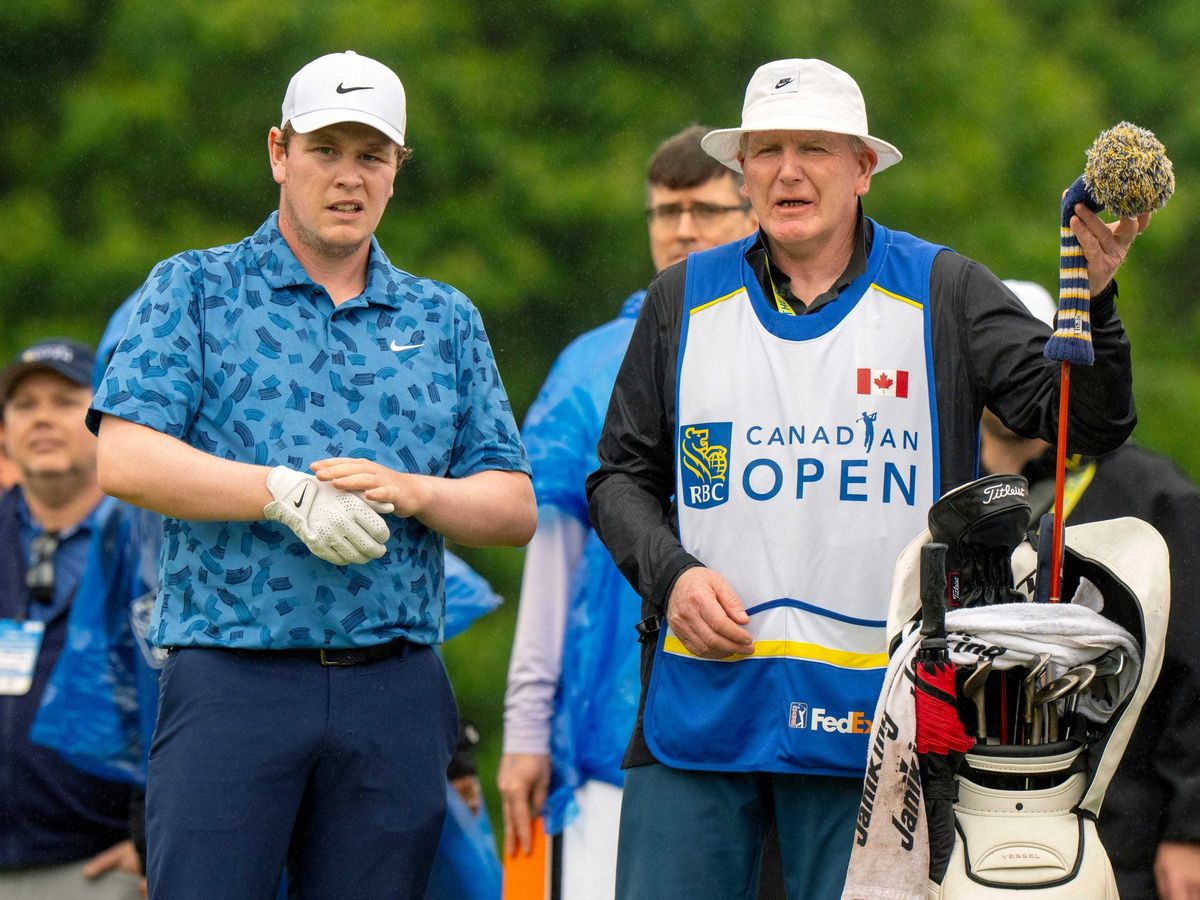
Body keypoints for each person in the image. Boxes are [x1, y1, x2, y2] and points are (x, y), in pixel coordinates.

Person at [586, 58, 1149, 899]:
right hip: (700, 715)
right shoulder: (680, 300)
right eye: (766, 149)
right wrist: (671, 576)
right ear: (742, 174)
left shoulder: (943, 289)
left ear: (862, 168)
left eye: (814, 147)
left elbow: (1085, 421)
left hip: (880, 725)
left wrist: (1093, 303)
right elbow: (618, 480)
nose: (788, 170)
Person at [88, 50, 535, 900]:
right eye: (325, 149)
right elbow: (125, 456)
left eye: (371, 156)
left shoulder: (443, 317)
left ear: (397, 171)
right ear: (278, 153)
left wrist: (418, 493)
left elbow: (511, 506)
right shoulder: (195, 288)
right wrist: (280, 493)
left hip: (394, 687)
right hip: (232, 680)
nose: (347, 177)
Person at [498, 125, 756, 898]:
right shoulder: (589, 368)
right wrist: (524, 730)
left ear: (753, 214)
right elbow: (553, 567)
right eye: (663, 211)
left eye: (704, 209)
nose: (681, 229)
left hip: (773, 713)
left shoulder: (800, 344)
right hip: (617, 729)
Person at [981, 280, 1200, 900]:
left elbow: (1195, 668)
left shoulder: (1155, 498)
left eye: (1028, 361)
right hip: (976, 819)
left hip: (1124, 832)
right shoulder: (941, 485)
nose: (1011, 381)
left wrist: (1191, 828)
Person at [0, 338, 141, 899]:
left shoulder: (155, 542)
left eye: (63, 401)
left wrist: (153, 835)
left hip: (99, 867)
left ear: (106, 420)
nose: (42, 419)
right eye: (24, 405)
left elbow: (197, 698)